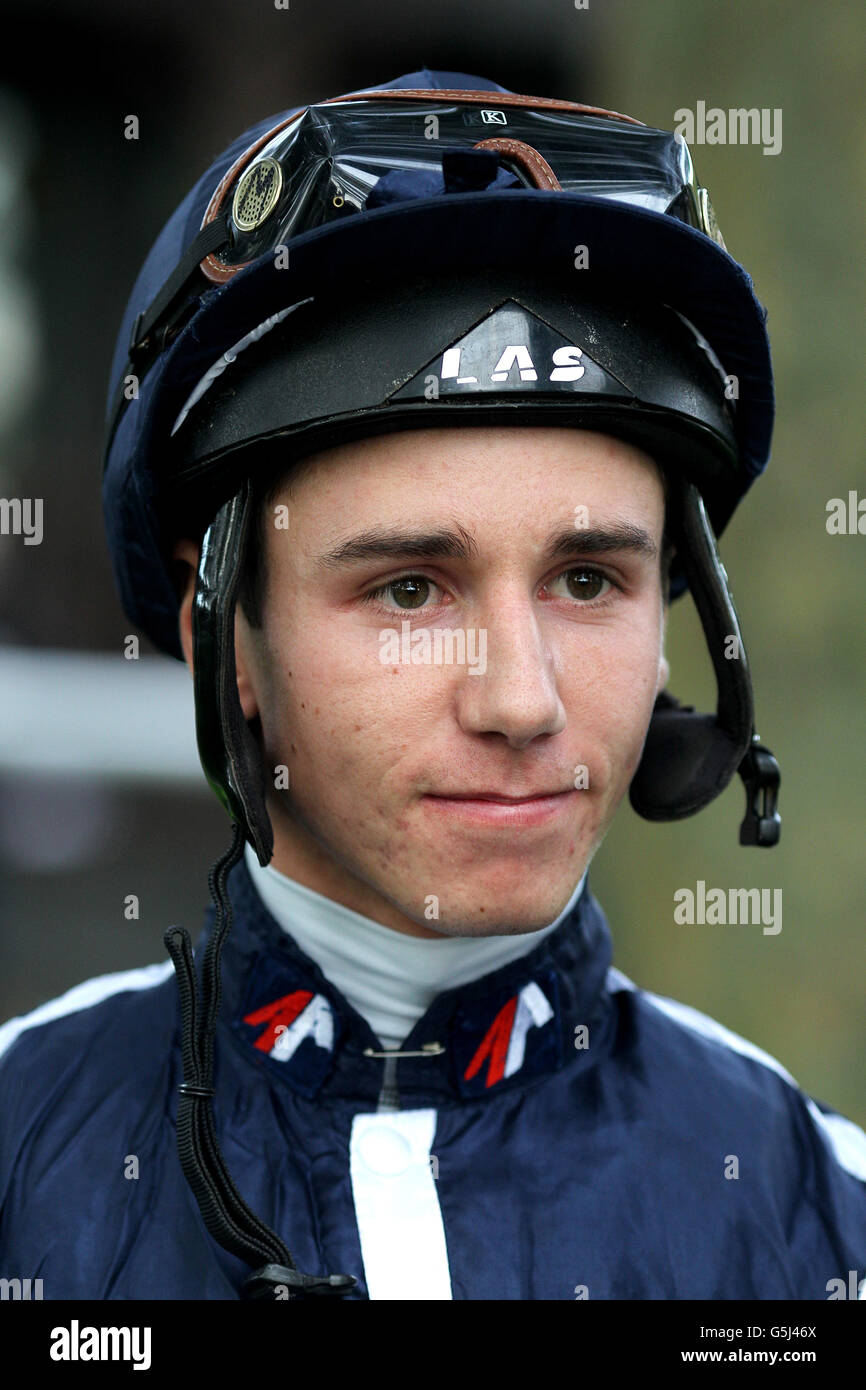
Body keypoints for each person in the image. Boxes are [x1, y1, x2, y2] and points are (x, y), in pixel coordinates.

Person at [0, 66, 863, 1302]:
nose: (521, 701)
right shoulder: (21, 1168)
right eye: (409, 588)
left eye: (585, 580)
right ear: (220, 636)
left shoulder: (821, 1215)